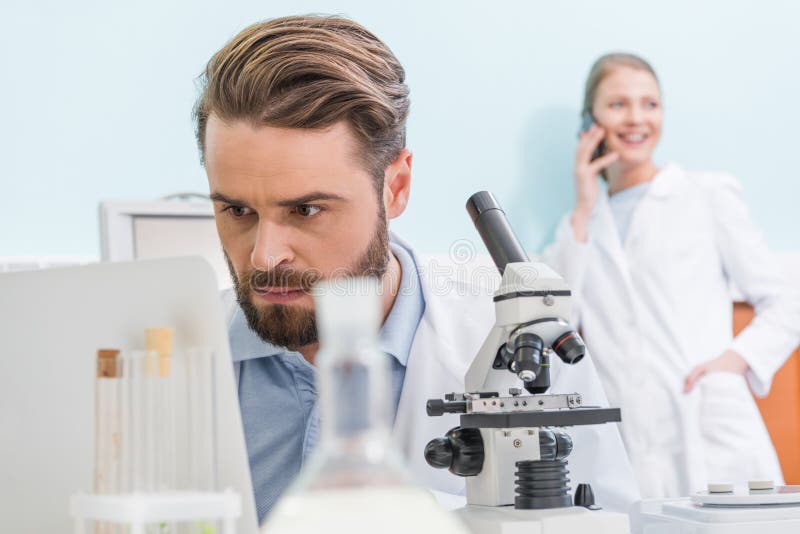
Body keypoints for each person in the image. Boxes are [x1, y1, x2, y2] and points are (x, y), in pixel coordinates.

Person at [193, 16, 639, 523]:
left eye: (306, 210)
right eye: (237, 211)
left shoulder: (515, 337)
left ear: (395, 187)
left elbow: (610, 518)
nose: (264, 257)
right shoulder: (177, 356)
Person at [544, 52, 800, 499]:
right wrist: (584, 205)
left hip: (710, 429)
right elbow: (556, 318)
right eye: (618, 104)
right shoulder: (581, 226)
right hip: (632, 447)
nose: (637, 118)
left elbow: (786, 301)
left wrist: (731, 364)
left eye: (650, 104)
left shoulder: (706, 196)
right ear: (592, 119)